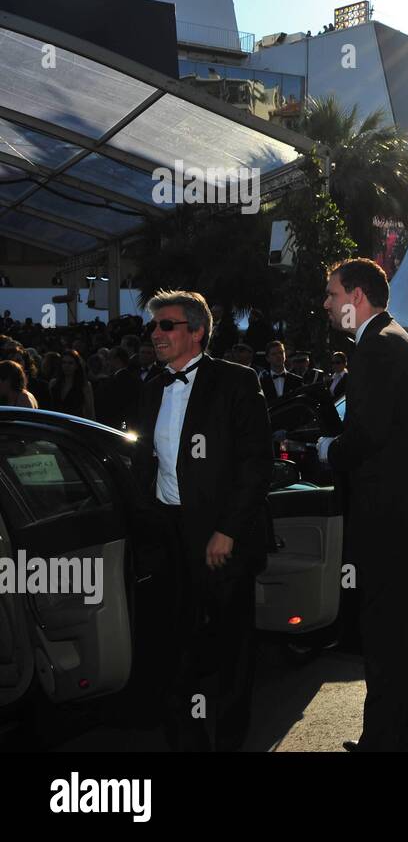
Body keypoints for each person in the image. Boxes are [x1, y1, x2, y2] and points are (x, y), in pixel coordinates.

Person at [132, 290, 273, 751]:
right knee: (176, 645)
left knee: (234, 648)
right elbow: (147, 462)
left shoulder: (236, 381)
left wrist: (228, 530)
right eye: (153, 326)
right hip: (170, 536)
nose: (156, 333)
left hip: (222, 538)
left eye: (166, 325)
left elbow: (256, 463)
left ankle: (232, 741)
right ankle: (186, 740)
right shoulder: (153, 387)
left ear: (196, 332)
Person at [318, 258, 408, 752]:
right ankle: (404, 732)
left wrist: (326, 450)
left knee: (385, 632)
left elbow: (366, 434)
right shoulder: (394, 340)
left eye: (331, 293)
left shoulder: (376, 347)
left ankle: (384, 741)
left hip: (387, 519)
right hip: (404, 517)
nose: (326, 303)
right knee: (407, 627)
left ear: (357, 297)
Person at [95, 346, 140, 432]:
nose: (106, 362)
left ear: (117, 360)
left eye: (109, 358)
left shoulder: (126, 380)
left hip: (115, 428)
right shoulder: (115, 378)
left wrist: (123, 427)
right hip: (113, 427)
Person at [48, 349, 95, 420]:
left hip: (74, 425)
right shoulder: (53, 383)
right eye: (64, 362)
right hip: (56, 423)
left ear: (76, 366)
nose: (66, 366)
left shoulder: (84, 385)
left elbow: (90, 411)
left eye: (70, 363)